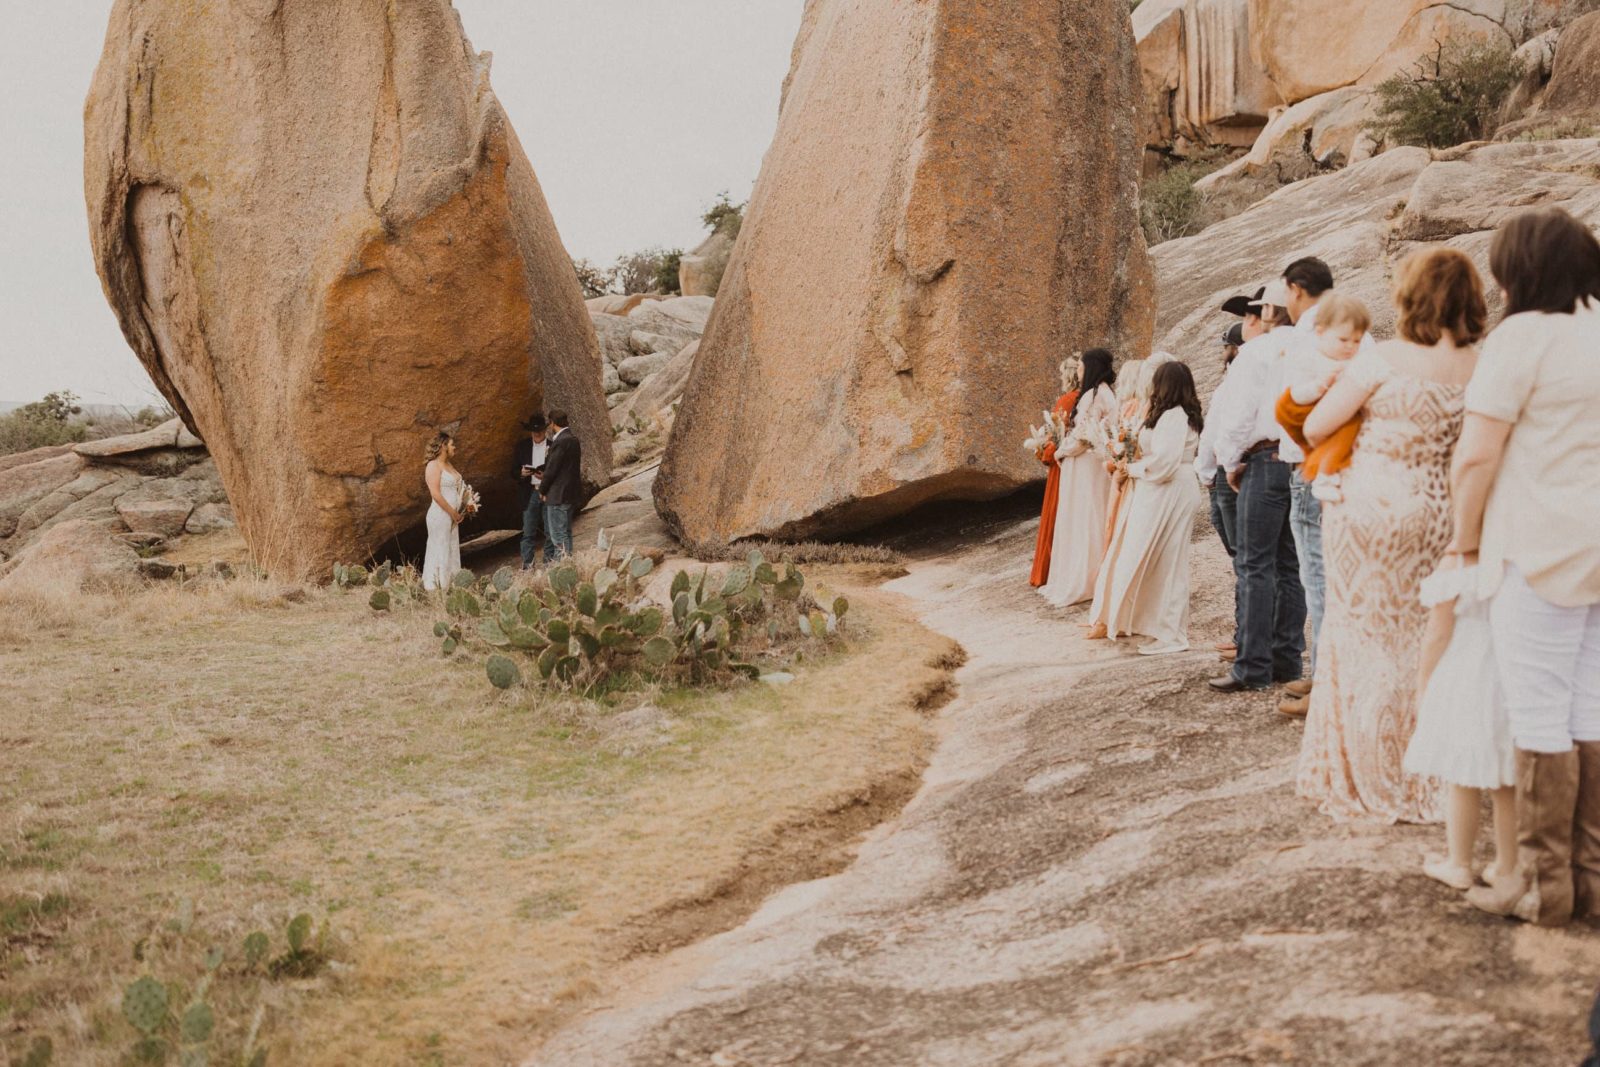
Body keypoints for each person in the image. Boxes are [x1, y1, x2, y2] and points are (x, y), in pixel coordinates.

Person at [1444, 208, 1600, 925]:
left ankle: (1544, 886)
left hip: (1535, 544)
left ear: (1521, 269)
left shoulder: (1519, 341)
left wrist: (1466, 542)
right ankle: (1589, 879)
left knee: (1537, 710)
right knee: (1590, 707)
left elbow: (1476, 456)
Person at [1295, 246, 1486, 824]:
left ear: (1411, 298)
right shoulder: (1481, 365)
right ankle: (1426, 766)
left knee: (1359, 633)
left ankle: (1364, 771)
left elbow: (1317, 424)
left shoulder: (1383, 359)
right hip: (1439, 514)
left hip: (1368, 512)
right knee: (1428, 638)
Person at [1274, 259, 1376, 715]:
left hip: (1319, 470)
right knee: (1329, 577)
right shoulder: (1352, 333)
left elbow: (1301, 417)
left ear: (1295, 290)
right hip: (1338, 468)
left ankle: (1329, 683)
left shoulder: (1317, 335)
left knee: (1320, 577)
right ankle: (1326, 673)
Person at [1206, 283, 1306, 693]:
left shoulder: (1256, 353)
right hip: (1299, 461)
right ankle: (1288, 661)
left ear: (1267, 313)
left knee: (1254, 564)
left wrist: (1229, 463)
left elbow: (1238, 415)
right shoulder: (1308, 346)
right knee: (1290, 565)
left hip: (1262, 460)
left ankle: (1252, 666)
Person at [1402, 559, 1516, 890]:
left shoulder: (1457, 564)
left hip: (1467, 671)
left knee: (1462, 777)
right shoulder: (1517, 554)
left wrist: (1423, 685)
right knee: (1505, 777)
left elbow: (1438, 633)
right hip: (1511, 669)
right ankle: (1508, 867)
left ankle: (1459, 863)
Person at [1087, 360, 1205, 654]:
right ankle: (1152, 625)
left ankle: (1172, 635)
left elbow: (1165, 464)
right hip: (1160, 491)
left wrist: (1132, 469)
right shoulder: (1168, 415)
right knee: (1156, 562)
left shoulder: (1175, 416)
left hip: (1172, 490)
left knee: (1170, 564)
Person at [1274, 291, 1372, 507]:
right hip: (1312, 416)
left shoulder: (1354, 360)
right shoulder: (1309, 360)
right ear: (1320, 332)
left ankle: (1333, 472)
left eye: (1357, 341)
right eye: (1344, 339)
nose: (1350, 346)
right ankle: (1325, 476)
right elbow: (1295, 394)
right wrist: (1317, 387)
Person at [1040, 350, 1117, 607]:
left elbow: (1083, 434)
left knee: (1085, 517)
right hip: (1091, 464)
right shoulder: (1104, 394)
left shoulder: (1094, 396)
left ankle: (1084, 579)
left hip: (1086, 466)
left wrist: (1060, 451)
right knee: (1091, 515)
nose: (1079, 372)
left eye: (1082, 367)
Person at [1030, 357, 1083, 588]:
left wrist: (1043, 452)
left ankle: (1047, 571)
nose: (1061, 379)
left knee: (1055, 512)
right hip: (1078, 463)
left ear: (1068, 376)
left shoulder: (1067, 400)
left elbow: (1056, 438)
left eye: (1062, 374)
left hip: (1061, 467)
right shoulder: (1083, 398)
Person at [422, 430, 464, 591]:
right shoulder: (433, 465)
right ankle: (435, 585)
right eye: (452, 444)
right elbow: (436, 494)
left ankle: (452, 584)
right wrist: (452, 513)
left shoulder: (449, 465)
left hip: (453, 516)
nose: (455, 447)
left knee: (452, 547)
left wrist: (463, 510)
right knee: (440, 547)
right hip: (440, 515)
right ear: (443, 446)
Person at [538, 410, 582, 561]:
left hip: (557, 495)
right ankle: (568, 562)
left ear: (552, 423)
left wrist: (542, 489)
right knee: (566, 532)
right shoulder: (573, 439)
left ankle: (562, 564)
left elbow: (551, 470)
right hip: (571, 494)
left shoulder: (560, 441)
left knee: (557, 535)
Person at [513, 414, 551, 570]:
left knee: (550, 530)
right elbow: (512, 471)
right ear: (530, 431)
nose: (537, 434)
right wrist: (521, 473)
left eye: (540, 431)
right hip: (530, 493)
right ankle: (528, 566)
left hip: (547, 492)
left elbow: (559, 470)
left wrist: (545, 476)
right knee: (528, 532)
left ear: (545, 430)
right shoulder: (522, 447)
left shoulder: (553, 446)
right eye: (534, 431)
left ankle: (550, 563)